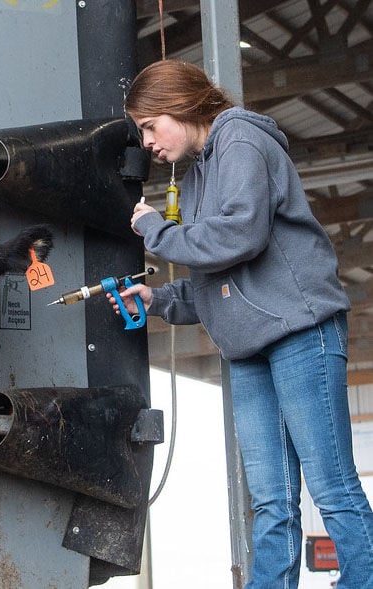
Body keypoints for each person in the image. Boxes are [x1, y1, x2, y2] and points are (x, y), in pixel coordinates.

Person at [112, 59, 373, 588]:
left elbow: (240, 236)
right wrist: (159, 298)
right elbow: (219, 280)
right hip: (249, 348)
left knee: (331, 484)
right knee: (271, 496)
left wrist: (155, 231)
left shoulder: (240, 141)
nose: (146, 143)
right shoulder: (198, 174)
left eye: (148, 125)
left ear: (180, 106)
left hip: (300, 331)